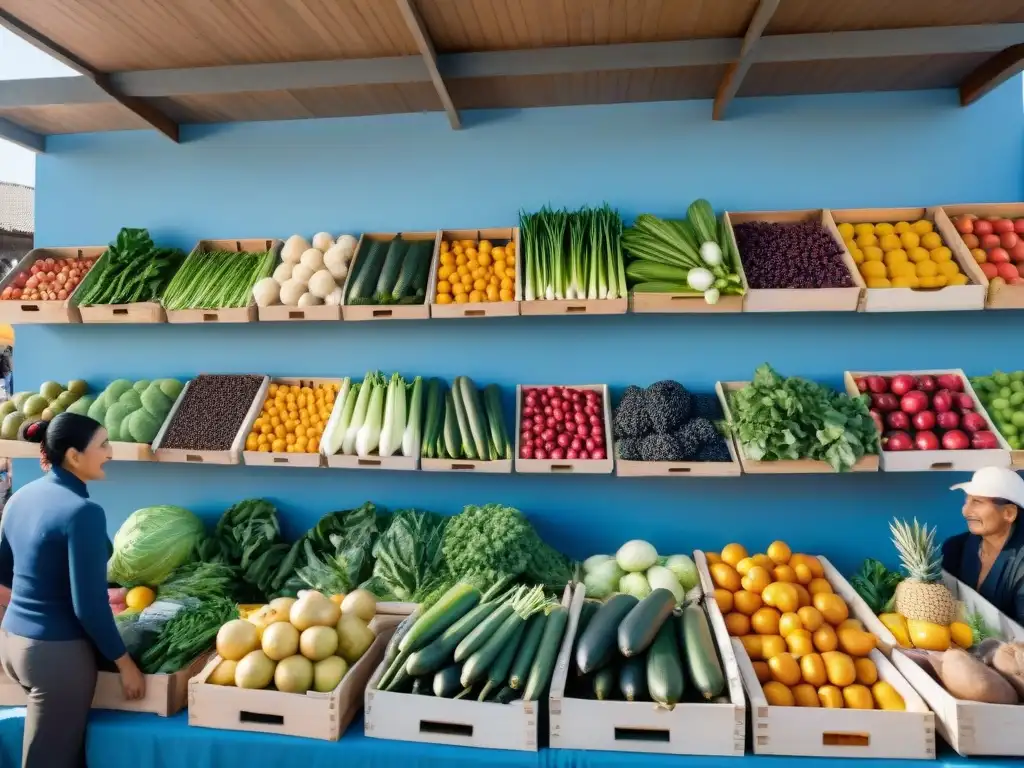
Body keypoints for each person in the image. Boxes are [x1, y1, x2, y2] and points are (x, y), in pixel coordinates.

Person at [0, 413, 145, 768]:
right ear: (74, 456)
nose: (110, 452)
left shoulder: (21, 496)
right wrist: (125, 664)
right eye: (103, 445)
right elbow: (89, 607)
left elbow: (4, 575)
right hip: (56, 659)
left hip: (14, 644)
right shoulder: (83, 513)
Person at [943, 466, 1024, 624]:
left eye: (977, 502)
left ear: (1009, 513)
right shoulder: (956, 548)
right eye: (966, 501)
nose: (965, 511)